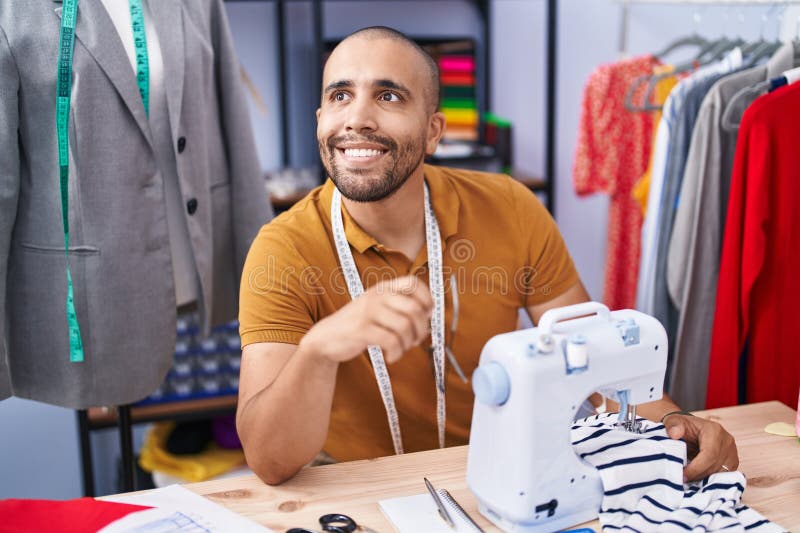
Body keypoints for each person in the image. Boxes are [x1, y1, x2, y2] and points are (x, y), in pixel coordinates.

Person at [236, 26, 738, 486]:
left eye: (388, 96)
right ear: (322, 120)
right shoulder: (283, 249)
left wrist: (673, 423)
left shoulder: (511, 209)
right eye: (340, 95)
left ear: (435, 131)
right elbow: (270, 459)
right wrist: (320, 349)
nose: (358, 118)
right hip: (353, 487)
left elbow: (596, 367)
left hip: (497, 470)